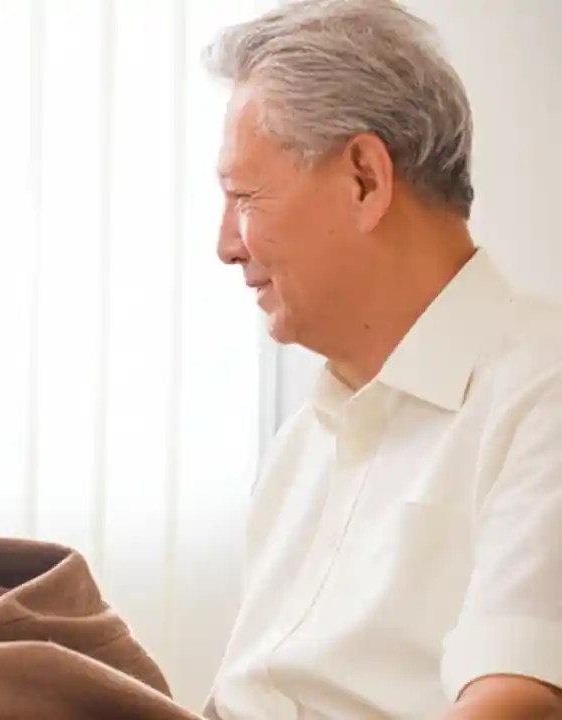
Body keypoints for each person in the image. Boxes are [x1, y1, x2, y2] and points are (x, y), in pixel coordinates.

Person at [200, 1, 562, 718]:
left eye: (245, 196)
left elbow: (513, 701)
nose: (226, 245)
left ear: (365, 178)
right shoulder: (302, 445)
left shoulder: (540, 391)